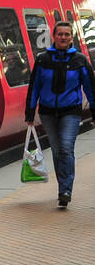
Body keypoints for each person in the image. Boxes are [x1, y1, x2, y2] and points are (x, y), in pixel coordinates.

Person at [24, 21, 95, 208]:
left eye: (67, 34)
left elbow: (90, 89)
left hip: (70, 112)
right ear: (54, 36)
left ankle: (65, 190)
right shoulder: (42, 60)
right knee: (56, 150)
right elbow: (35, 87)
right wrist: (30, 112)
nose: (63, 37)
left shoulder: (79, 60)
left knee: (65, 148)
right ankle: (63, 186)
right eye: (60, 34)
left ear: (72, 37)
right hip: (47, 113)